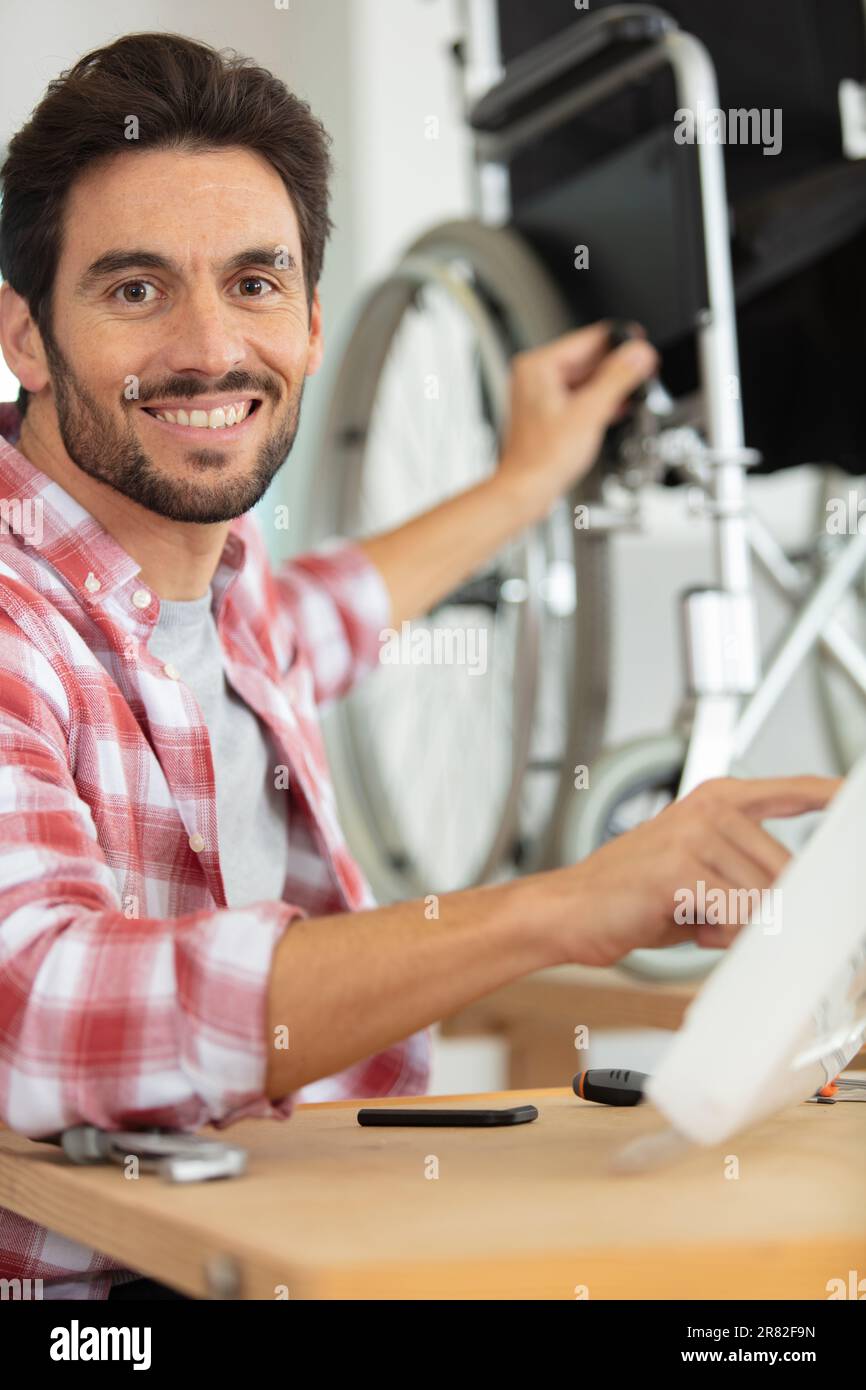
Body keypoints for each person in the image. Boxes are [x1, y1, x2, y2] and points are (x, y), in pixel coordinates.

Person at [0, 32, 836, 1300]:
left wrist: (522, 484)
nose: (208, 348)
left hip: (303, 1238)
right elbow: (42, 1015)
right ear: (22, 333)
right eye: (134, 290)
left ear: (313, 322)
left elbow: (341, 606)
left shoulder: (221, 596)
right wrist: (563, 904)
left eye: (254, 283)